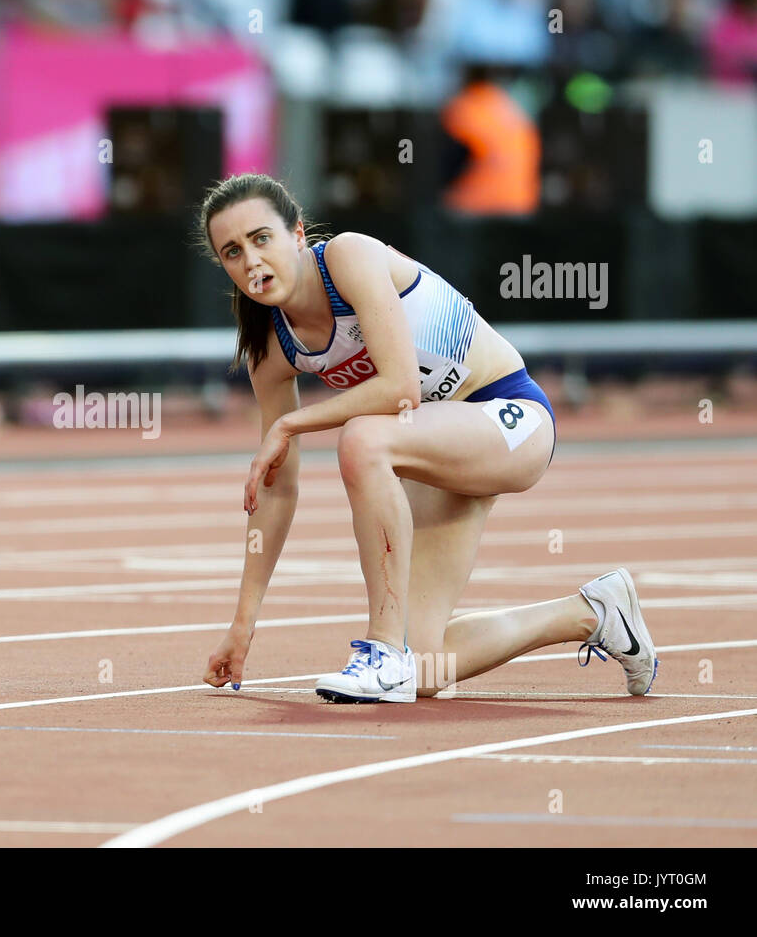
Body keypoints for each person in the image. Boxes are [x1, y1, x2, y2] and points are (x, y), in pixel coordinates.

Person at [198, 173, 657, 702]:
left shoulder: (348, 257)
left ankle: (382, 651)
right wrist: (242, 622)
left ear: (297, 234)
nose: (252, 261)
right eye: (233, 252)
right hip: (431, 445)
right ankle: (595, 612)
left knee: (363, 439)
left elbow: (399, 387)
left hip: (508, 417)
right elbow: (279, 488)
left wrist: (290, 423)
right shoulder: (271, 350)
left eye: (261, 239)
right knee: (429, 667)